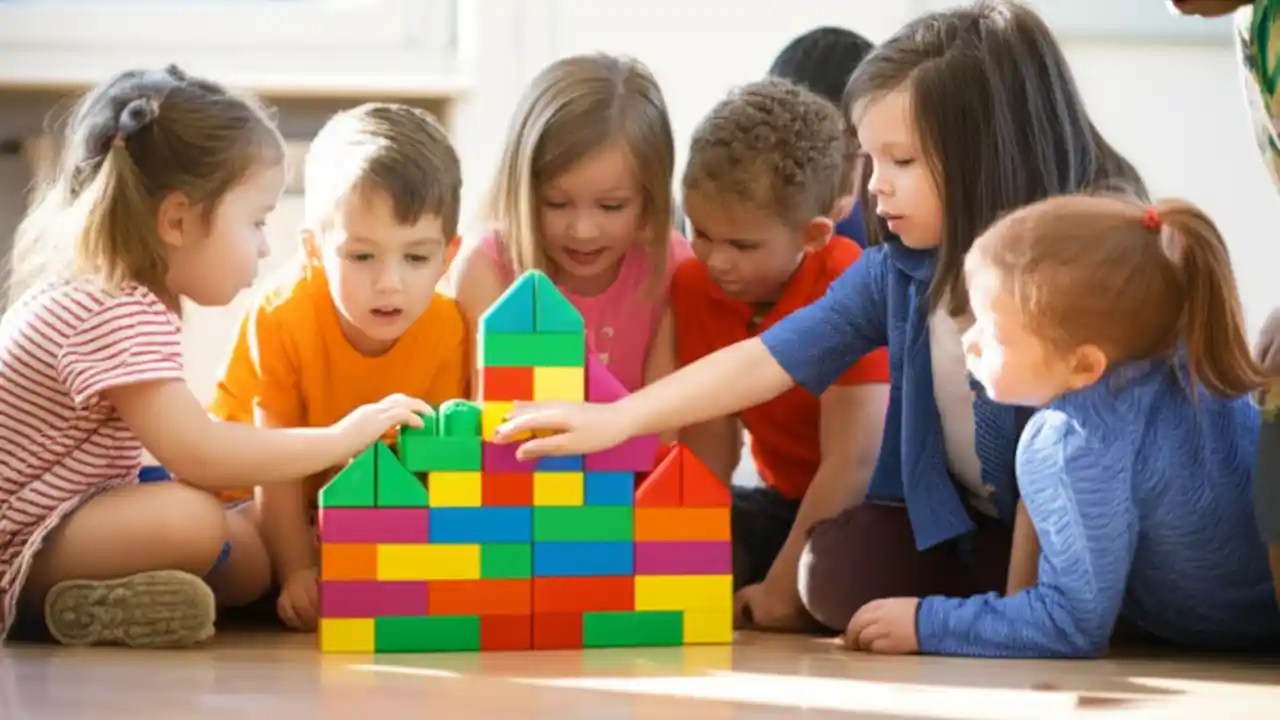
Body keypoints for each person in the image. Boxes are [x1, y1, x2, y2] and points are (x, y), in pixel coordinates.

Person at [493, 0, 1148, 637]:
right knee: (832, 578)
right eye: (872, 161)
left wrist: (977, 621)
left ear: (980, 152)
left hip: (1074, 520)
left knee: (1027, 568)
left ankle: (997, 605)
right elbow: (765, 359)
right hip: (964, 522)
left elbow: (1053, 459)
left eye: (901, 161)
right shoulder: (896, 270)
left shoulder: (1064, 269)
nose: (874, 188)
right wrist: (618, 419)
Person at [0, 67, 427, 647]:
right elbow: (200, 453)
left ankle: (128, 602)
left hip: (71, 515)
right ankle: (42, 606)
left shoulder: (117, 293)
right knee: (194, 521)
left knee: (251, 549)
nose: (264, 244)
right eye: (255, 220)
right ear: (176, 220)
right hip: (17, 544)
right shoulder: (111, 307)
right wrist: (340, 438)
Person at [847, 194, 1280, 657]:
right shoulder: (1175, 354)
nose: (968, 343)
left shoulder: (1073, 442)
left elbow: (1071, 625)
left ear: (1084, 365)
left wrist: (926, 623)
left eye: (992, 333)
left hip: (1235, 632)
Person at [209, 103, 468, 631]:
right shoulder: (283, 315)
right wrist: (298, 568)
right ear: (312, 251)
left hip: (358, 513)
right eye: (362, 257)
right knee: (242, 556)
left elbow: (435, 465)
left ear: (449, 255)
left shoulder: (449, 329)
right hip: (258, 496)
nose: (389, 283)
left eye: (416, 258)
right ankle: (170, 589)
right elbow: (272, 468)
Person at [672, 78, 889, 630]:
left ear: (813, 235)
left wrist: (779, 587)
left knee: (823, 580)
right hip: (781, 500)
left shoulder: (849, 280)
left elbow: (853, 461)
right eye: (700, 232)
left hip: (872, 503)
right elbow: (707, 451)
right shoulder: (694, 285)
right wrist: (692, 559)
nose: (716, 259)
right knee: (678, 547)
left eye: (741, 245)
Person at [448, 53, 691, 393]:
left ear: (649, 199)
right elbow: (485, 416)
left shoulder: (673, 268)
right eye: (556, 203)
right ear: (523, 190)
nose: (582, 230)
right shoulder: (489, 268)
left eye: (611, 206)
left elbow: (666, 427)